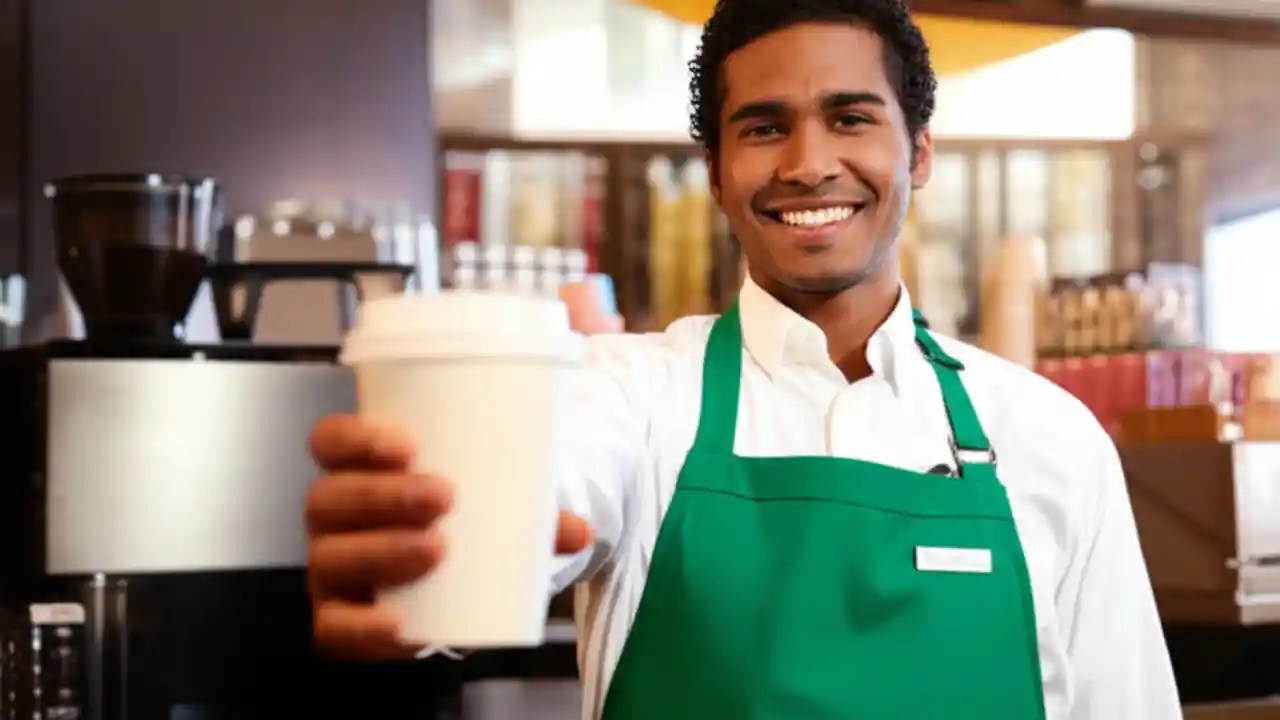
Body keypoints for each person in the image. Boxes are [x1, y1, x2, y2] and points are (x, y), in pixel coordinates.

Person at [304, 0, 1183, 717]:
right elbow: (527, 501)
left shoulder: (1052, 437)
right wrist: (424, 549)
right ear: (718, 174)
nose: (808, 164)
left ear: (917, 153)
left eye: (850, 118)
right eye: (764, 128)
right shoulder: (630, 395)